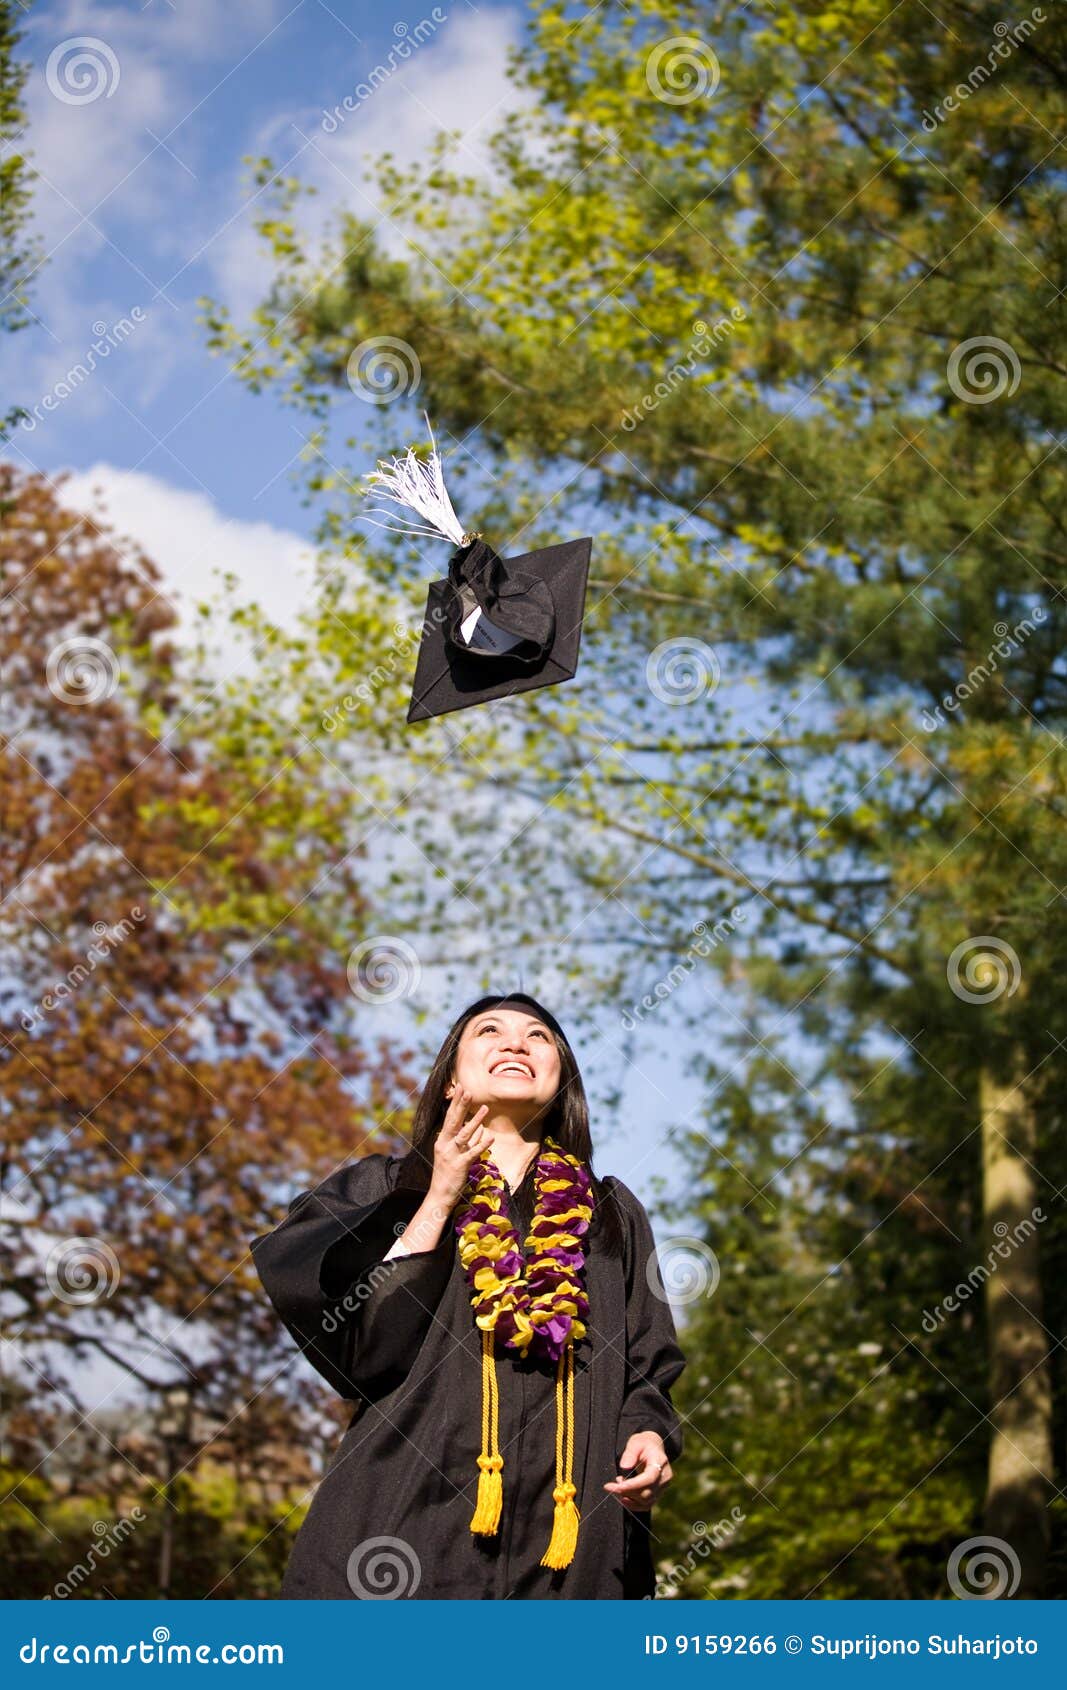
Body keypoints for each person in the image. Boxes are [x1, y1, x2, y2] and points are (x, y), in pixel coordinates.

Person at [250, 992, 687, 1599]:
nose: (516, 1043)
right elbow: (361, 1352)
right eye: (490, 1031)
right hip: (407, 1520)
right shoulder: (388, 1188)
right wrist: (438, 1197)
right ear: (451, 1077)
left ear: (562, 1080)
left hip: (571, 1535)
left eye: (539, 1036)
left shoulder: (610, 1212)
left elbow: (647, 1360)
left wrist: (648, 1433)